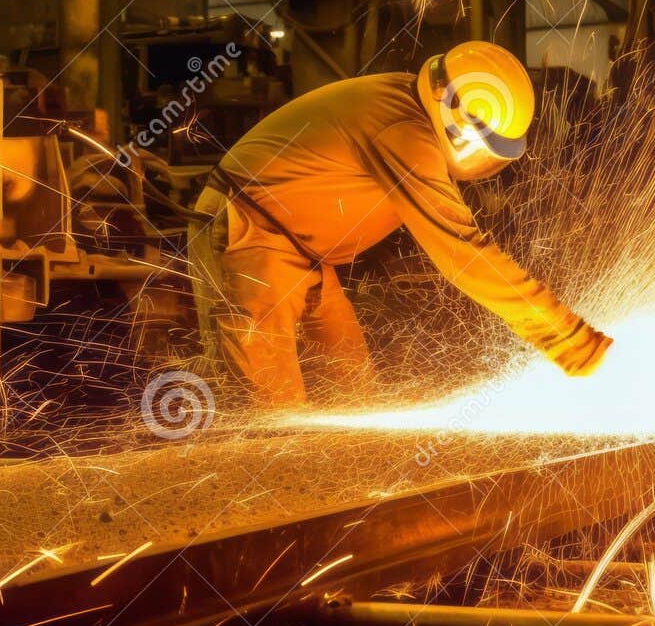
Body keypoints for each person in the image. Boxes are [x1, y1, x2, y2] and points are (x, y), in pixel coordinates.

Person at [187, 40, 612, 406]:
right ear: (456, 123)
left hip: (303, 251)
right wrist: (568, 339)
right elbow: (462, 251)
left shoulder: (407, 105)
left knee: (352, 389)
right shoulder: (404, 130)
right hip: (248, 229)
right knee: (269, 406)